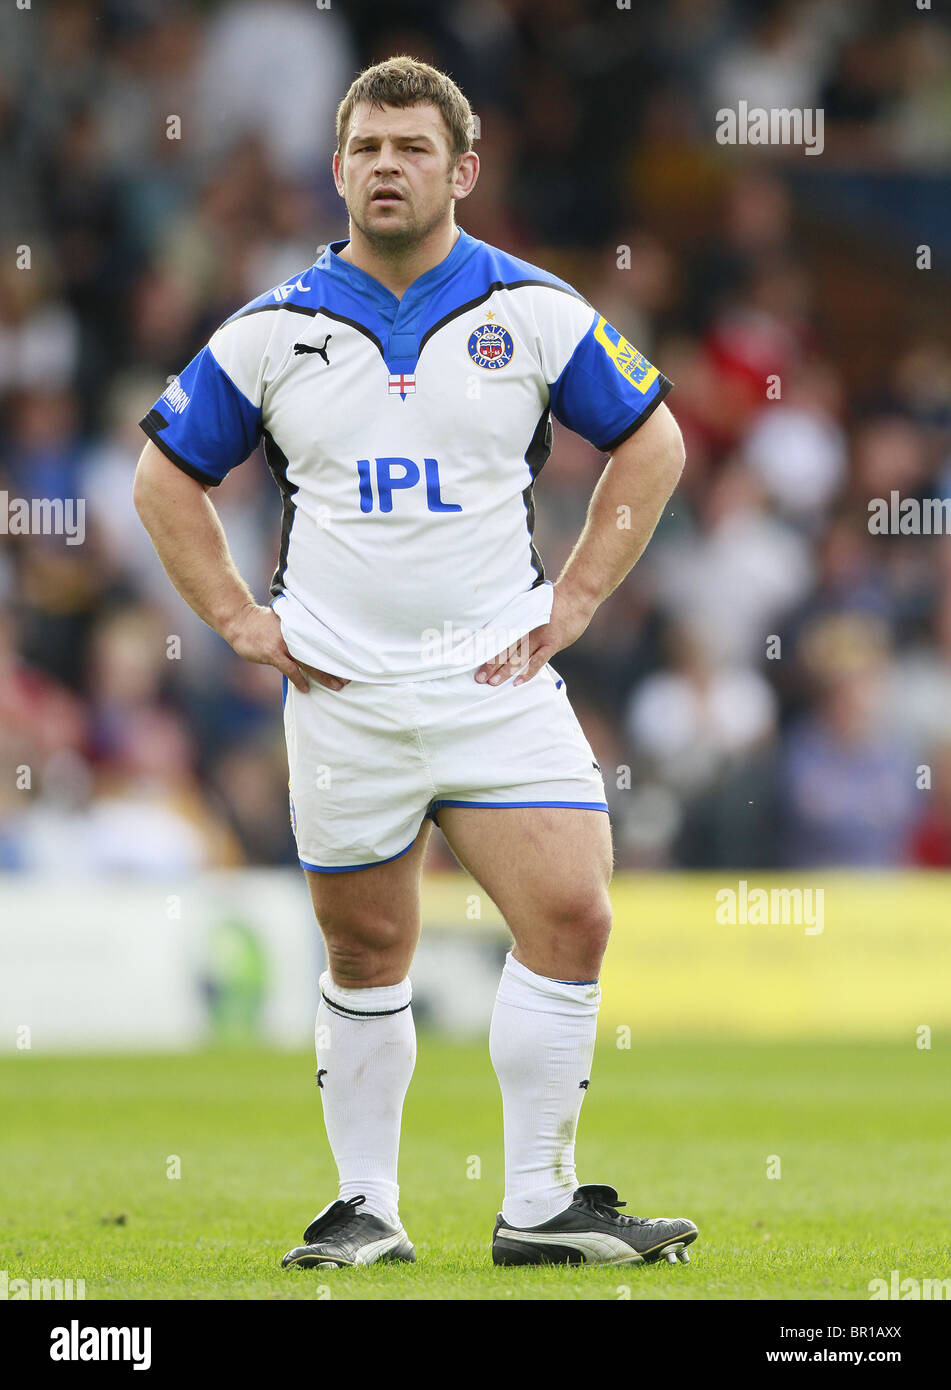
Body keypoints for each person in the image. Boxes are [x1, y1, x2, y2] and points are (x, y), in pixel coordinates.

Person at [133, 56, 696, 1270]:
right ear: (337, 169)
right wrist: (237, 618)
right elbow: (163, 476)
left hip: (497, 683)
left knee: (574, 913)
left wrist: (582, 593)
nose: (389, 166)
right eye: (369, 149)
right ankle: (367, 1206)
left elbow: (653, 442)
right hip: (343, 692)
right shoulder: (271, 329)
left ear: (463, 169)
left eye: (414, 148)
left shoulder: (534, 310)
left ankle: (540, 1200)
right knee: (367, 950)